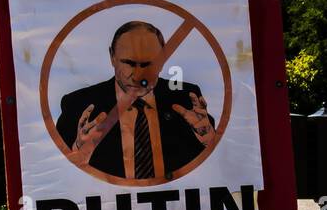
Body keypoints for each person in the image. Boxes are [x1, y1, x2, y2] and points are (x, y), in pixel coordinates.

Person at [56, 20, 216, 181]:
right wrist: (78, 153)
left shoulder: (187, 98)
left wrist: (208, 139)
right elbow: (55, 175)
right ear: (112, 57)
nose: (139, 75)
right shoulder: (77, 105)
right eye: (129, 63)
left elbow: (217, 168)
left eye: (148, 64)